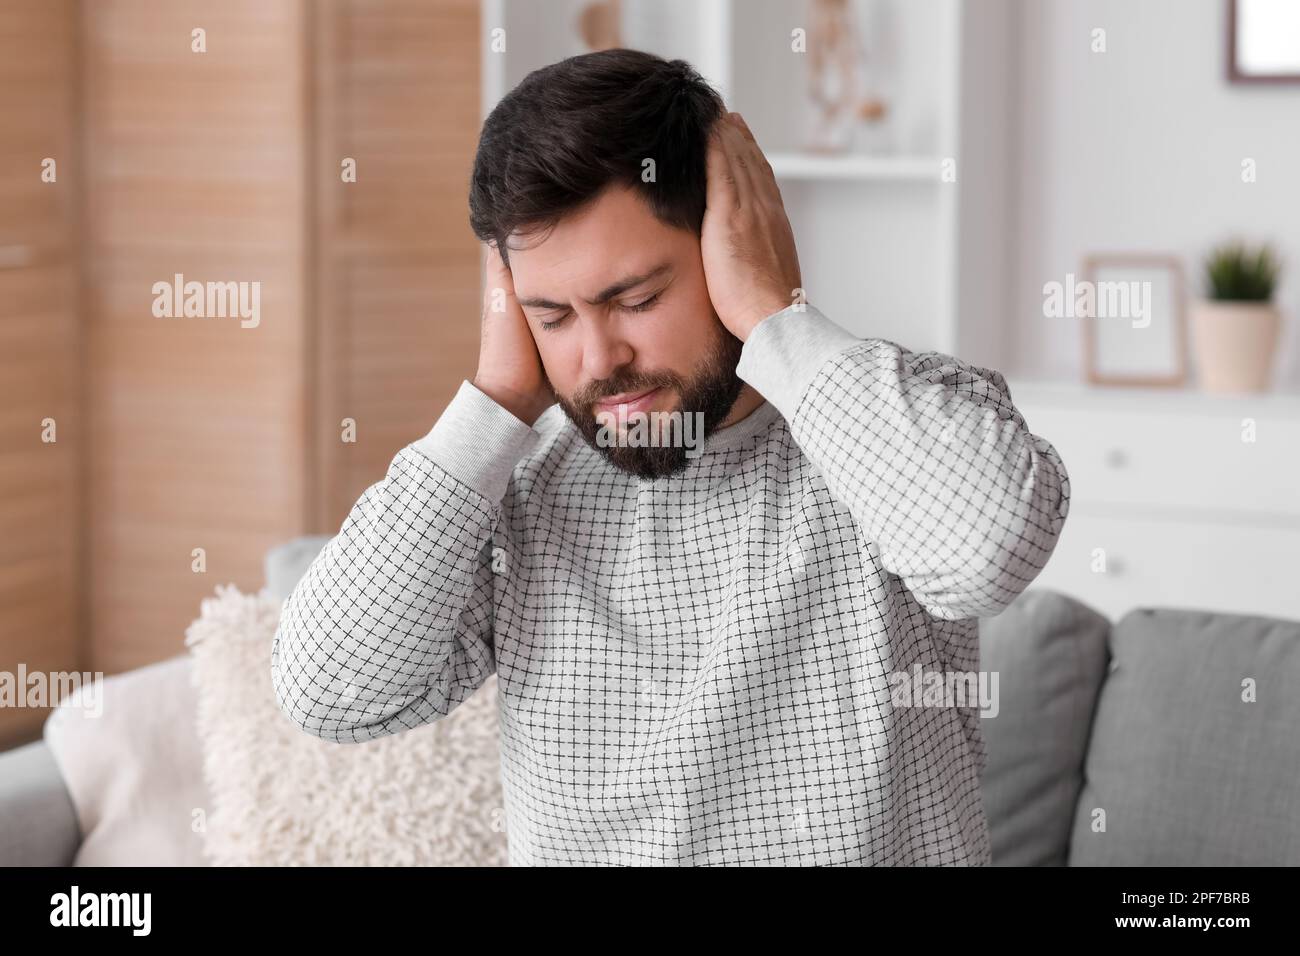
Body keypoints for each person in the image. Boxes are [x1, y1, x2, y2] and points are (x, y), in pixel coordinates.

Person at [271, 48, 1071, 865]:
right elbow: (330, 693)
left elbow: (986, 552)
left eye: (637, 300)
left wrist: (773, 313)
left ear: (733, 243)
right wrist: (496, 403)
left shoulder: (893, 421)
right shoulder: (515, 492)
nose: (598, 358)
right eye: (551, 316)